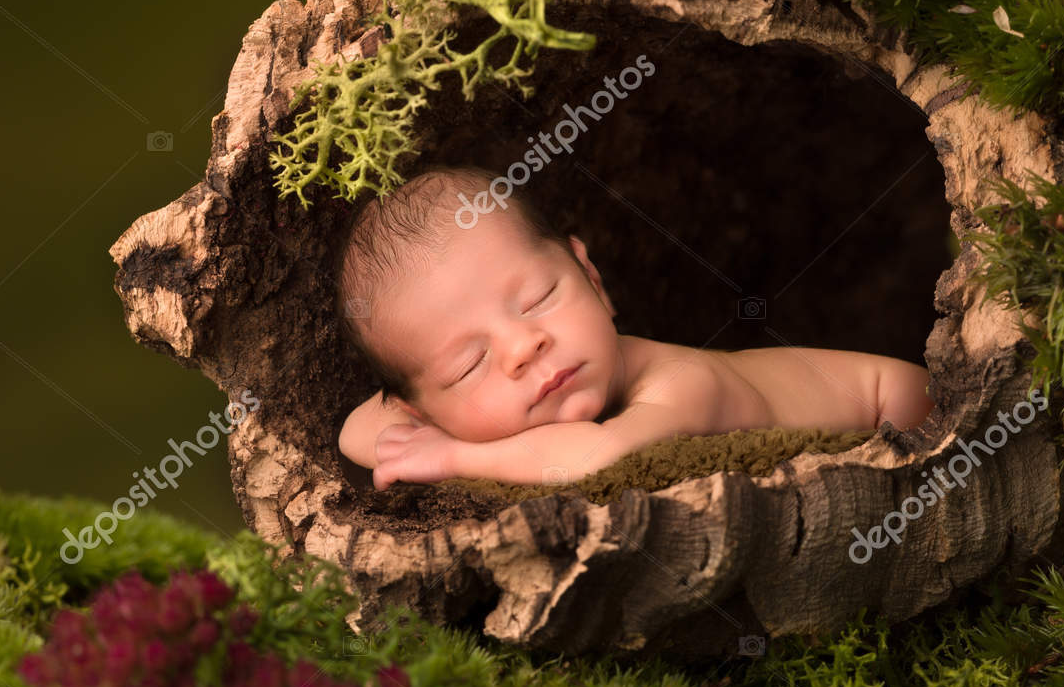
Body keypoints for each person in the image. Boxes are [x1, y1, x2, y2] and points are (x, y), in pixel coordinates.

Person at [336, 165, 935, 490]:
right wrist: (435, 431)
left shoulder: (679, 384)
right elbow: (359, 430)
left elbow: (599, 457)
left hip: (898, 404)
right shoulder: (423, 409)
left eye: (540, 298)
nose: (524, 345)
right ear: (418, 409)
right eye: (468, 365)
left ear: (591, 277)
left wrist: (451, 455)